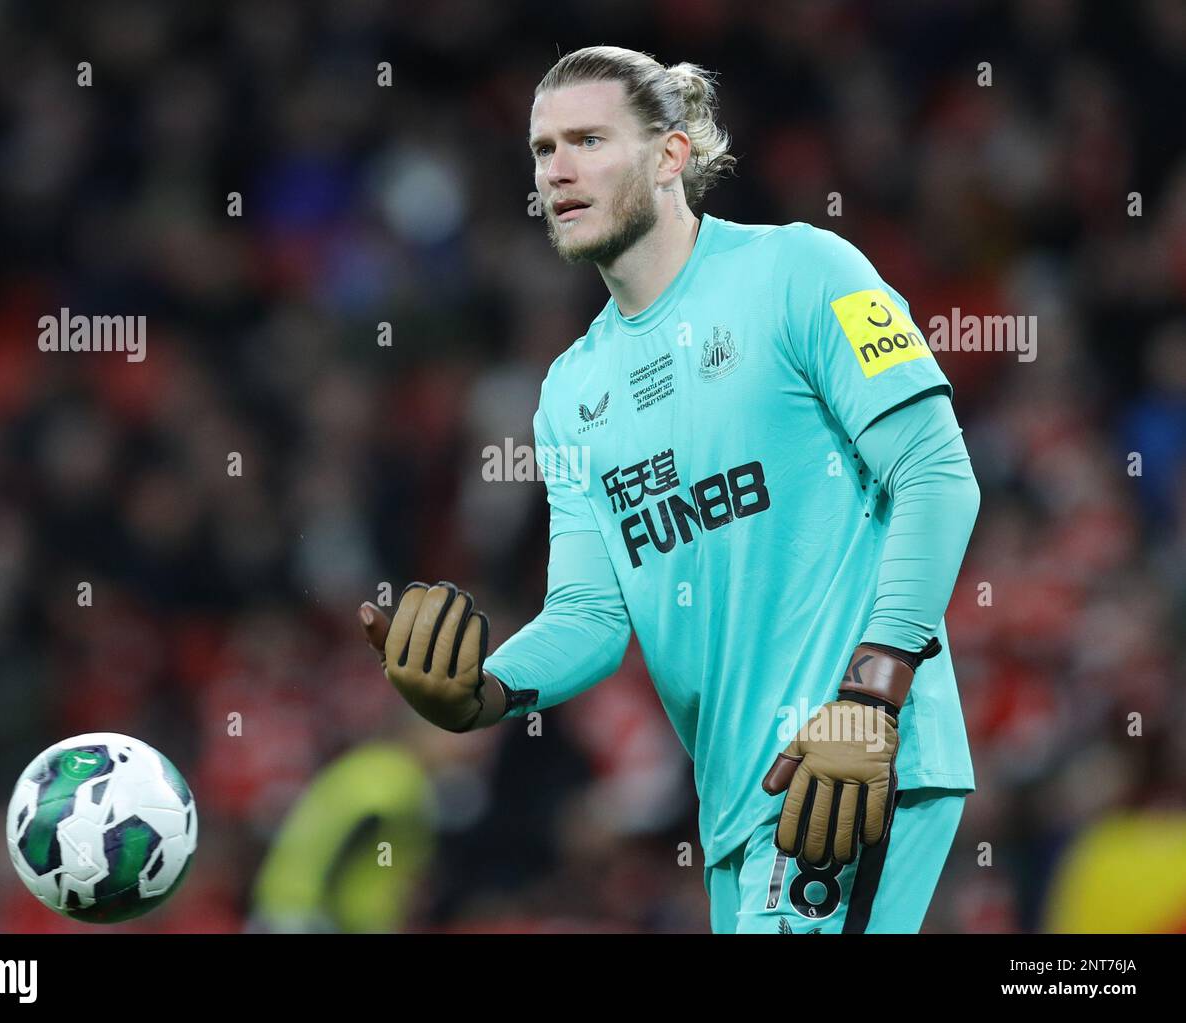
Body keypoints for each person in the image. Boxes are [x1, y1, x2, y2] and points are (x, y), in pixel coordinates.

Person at [359, 45, 979, 934]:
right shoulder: (571, 393)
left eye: (587, 140)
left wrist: (871, 697)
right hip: (737, 813)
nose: (558, 170)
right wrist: (483, 692)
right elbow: (590, 616)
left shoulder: (803, 271)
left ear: (671, 155)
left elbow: (936, 474)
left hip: (843, 771)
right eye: (542, 150)